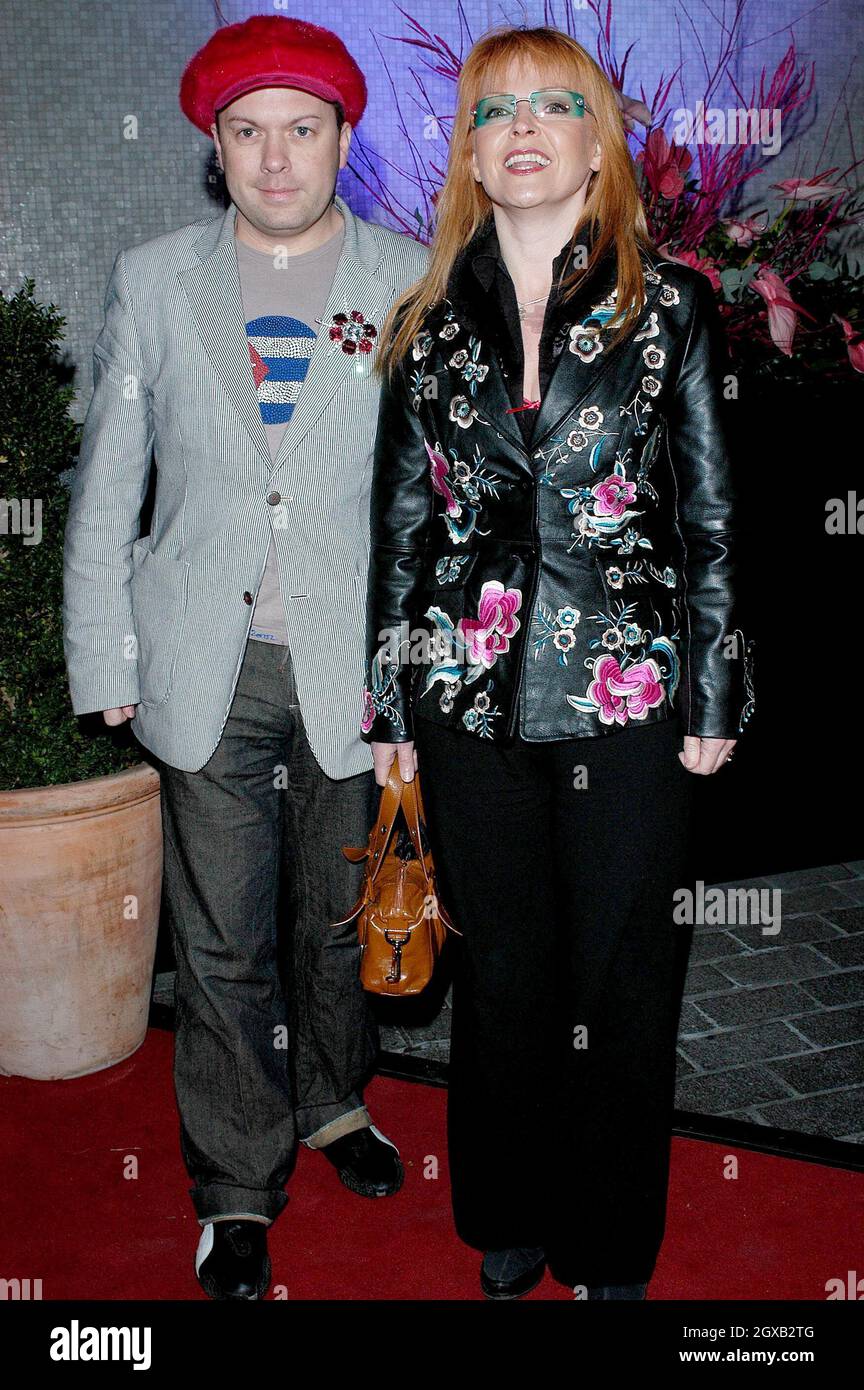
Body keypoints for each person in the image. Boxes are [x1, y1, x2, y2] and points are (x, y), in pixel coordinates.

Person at [361, 24, 756, 1300]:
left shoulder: (674, 306)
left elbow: (709, 516)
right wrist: (390, 705)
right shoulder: (425, 325)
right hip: (466, 697)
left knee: (623, 979)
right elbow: (403, 526)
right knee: (509, 975)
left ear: (599, 145)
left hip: (628, 695)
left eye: (553, 105)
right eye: (493, 111)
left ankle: (608, 1242)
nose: (521, 127)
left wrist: (713, 687)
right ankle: (512, 1207)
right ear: (472, 154)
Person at [62, 14, 429, 1301]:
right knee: (221, 944)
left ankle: (334, 1102)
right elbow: (108, 479)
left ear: (343, 136)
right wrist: (102, 647)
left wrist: (428, 671)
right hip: (200, 660)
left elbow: (438, 493)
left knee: (339, 923)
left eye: (303, 129)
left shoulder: (411, 278)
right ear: (215, 147)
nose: (277, 160)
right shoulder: (156, 277)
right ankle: (234, 1181)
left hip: (358, 662)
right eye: (248, 133)